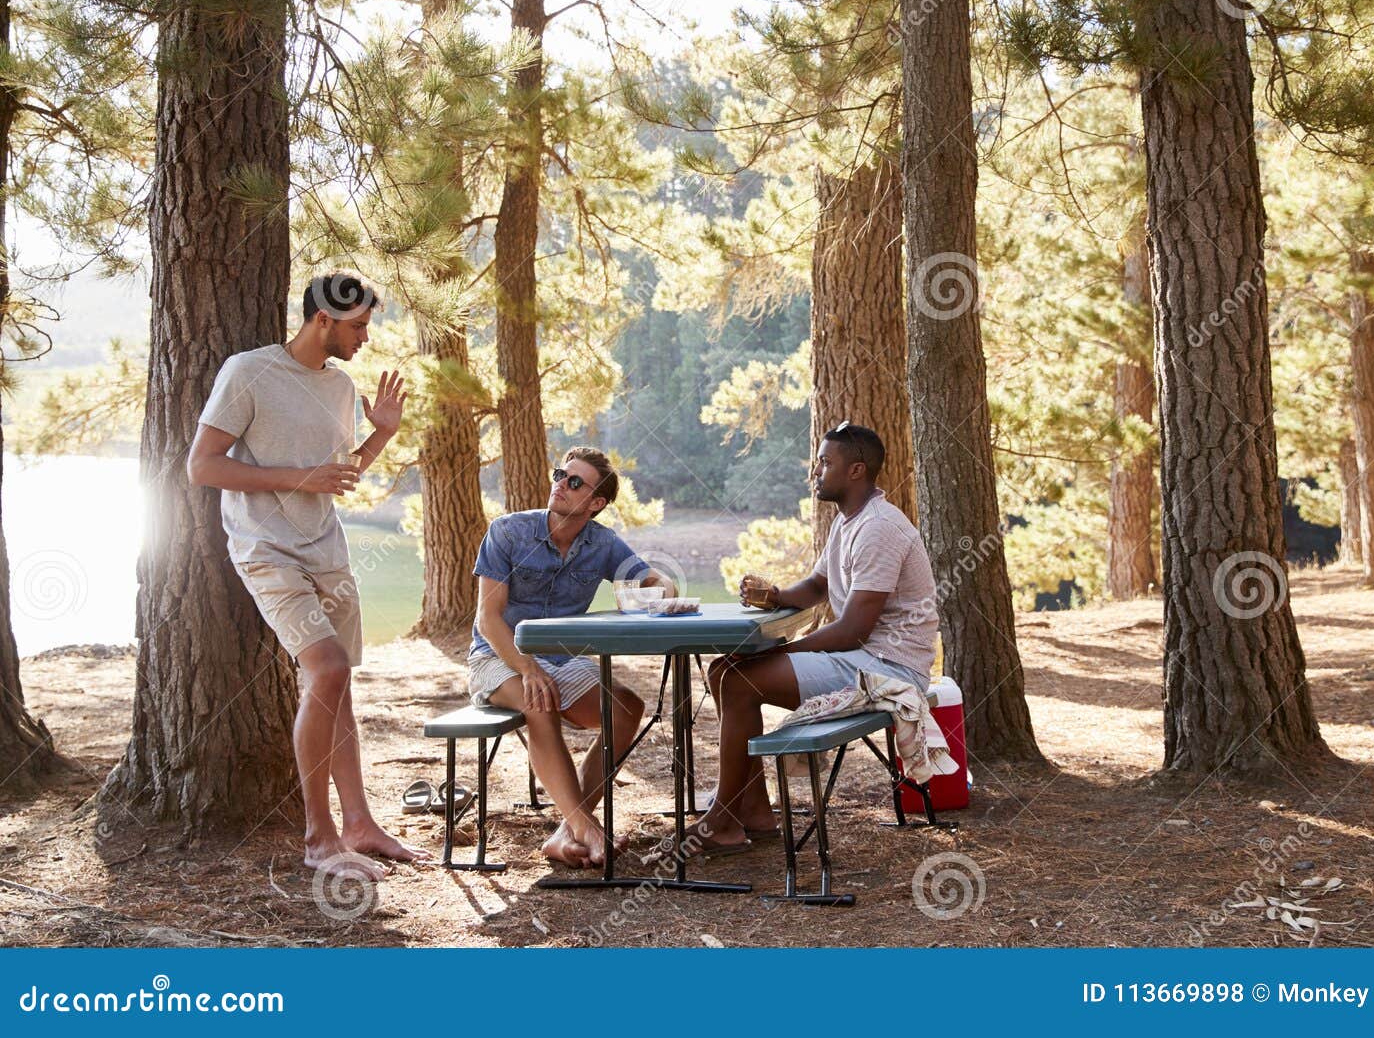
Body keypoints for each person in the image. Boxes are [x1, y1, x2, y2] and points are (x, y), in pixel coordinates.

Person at [189, 272, 426, 881]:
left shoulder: (343, 386)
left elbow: (336, 475)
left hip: (329, 551)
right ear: (322, 319)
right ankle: (319, 837)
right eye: (358, 326)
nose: (365, 338)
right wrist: (297, 477)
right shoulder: (249, 372)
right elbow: (203, 467)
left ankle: (360, 824)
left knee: (338, 682)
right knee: (326, 666)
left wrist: (383, 434)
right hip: (268, 549)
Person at [689, 421, 938, 854]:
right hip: (863, 658)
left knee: (737, 678)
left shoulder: (879, 528)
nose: (816, 471)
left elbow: (852, 629)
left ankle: (723, 819)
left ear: (856, 470)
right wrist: (776, 596)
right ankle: (753, 811)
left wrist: (783, 649)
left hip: (887, 670)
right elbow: (818, 585)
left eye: (825, 462)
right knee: (724, 670)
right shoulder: (849, 522)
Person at [469, 446, 676, 868]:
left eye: (575, 482)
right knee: (537, 702)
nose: (560, 485)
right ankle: (586, 826)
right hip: (497, 656)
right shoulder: (508, 532)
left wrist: (658, 588)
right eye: (560, 475)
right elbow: (488, 619)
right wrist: (527, 668)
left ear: (595, 503)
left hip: (561, 661)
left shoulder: (602, 544)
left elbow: (656, 581)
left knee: (625, 708)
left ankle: (569, 828)